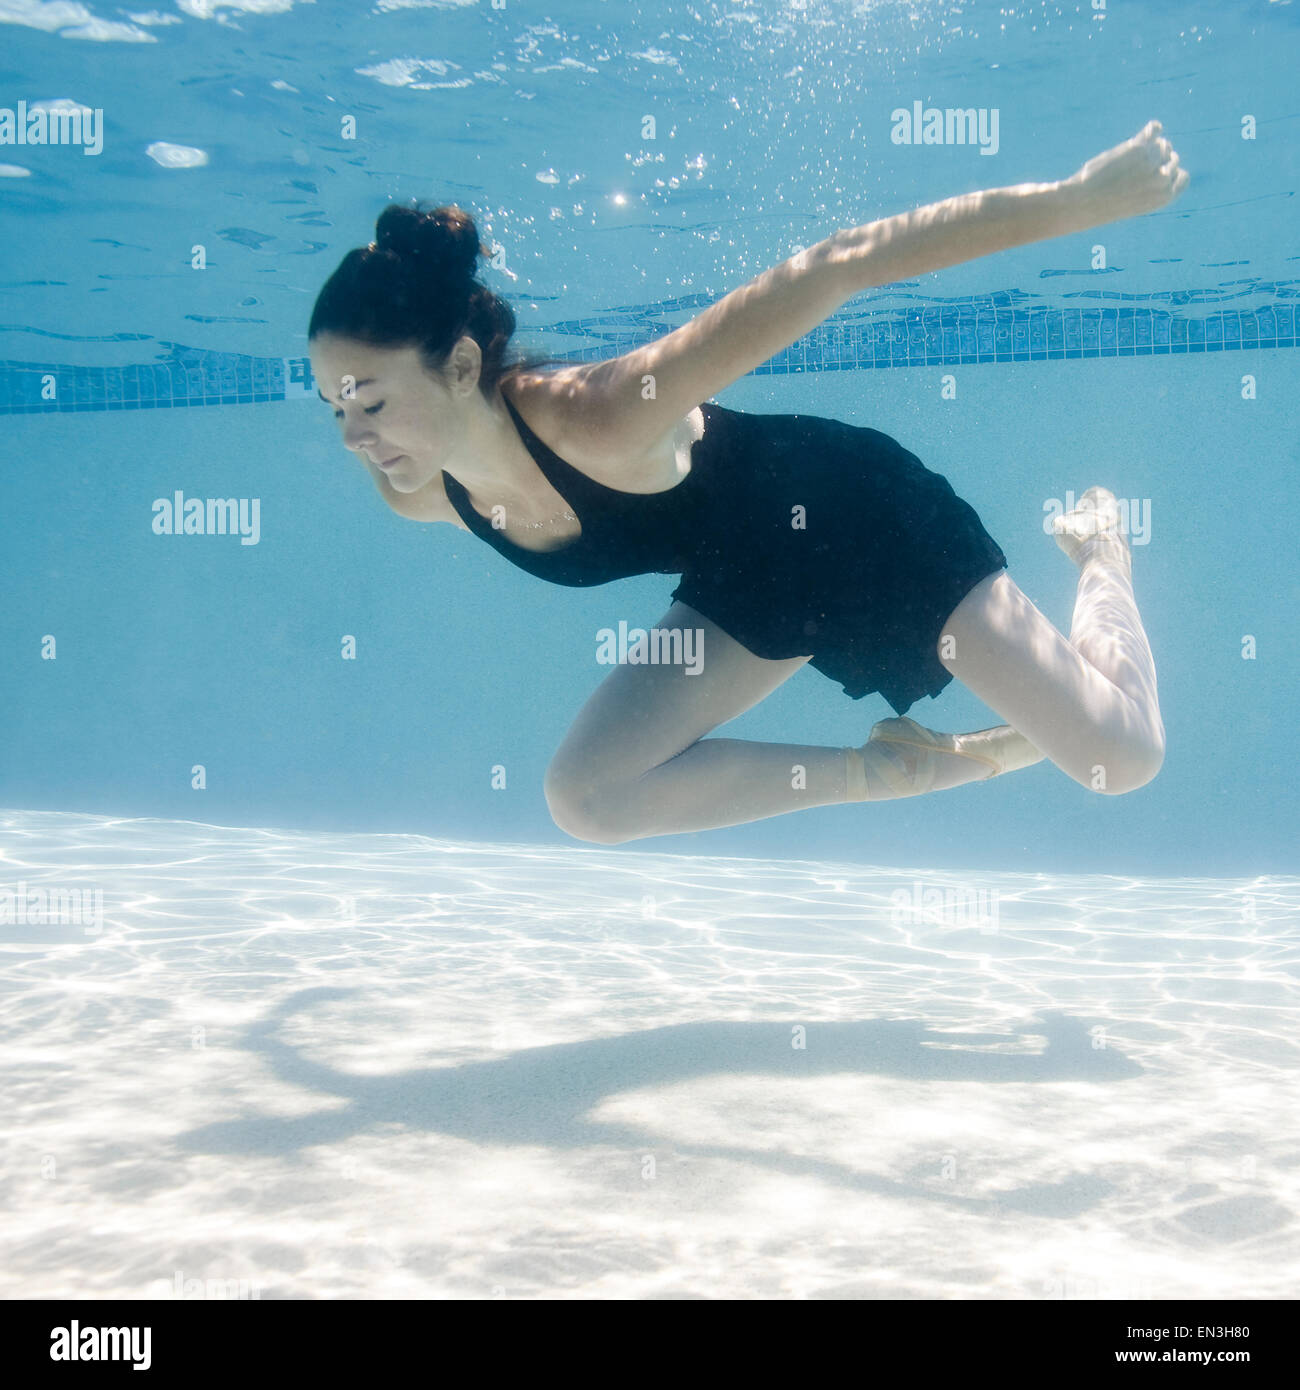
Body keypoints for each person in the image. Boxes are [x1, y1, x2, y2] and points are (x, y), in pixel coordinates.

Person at [309, 121, 1186, 844]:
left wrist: (1076, 201)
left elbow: (836, 265)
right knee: (586, 796)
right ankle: (887, 770)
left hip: (864, 516)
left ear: (461, 364)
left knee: (1123, 757)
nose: (353, 436)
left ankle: (1103, 554)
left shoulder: (603, 414)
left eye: (370, 401)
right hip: (751, 583)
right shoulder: (420, 490)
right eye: (333, 408)